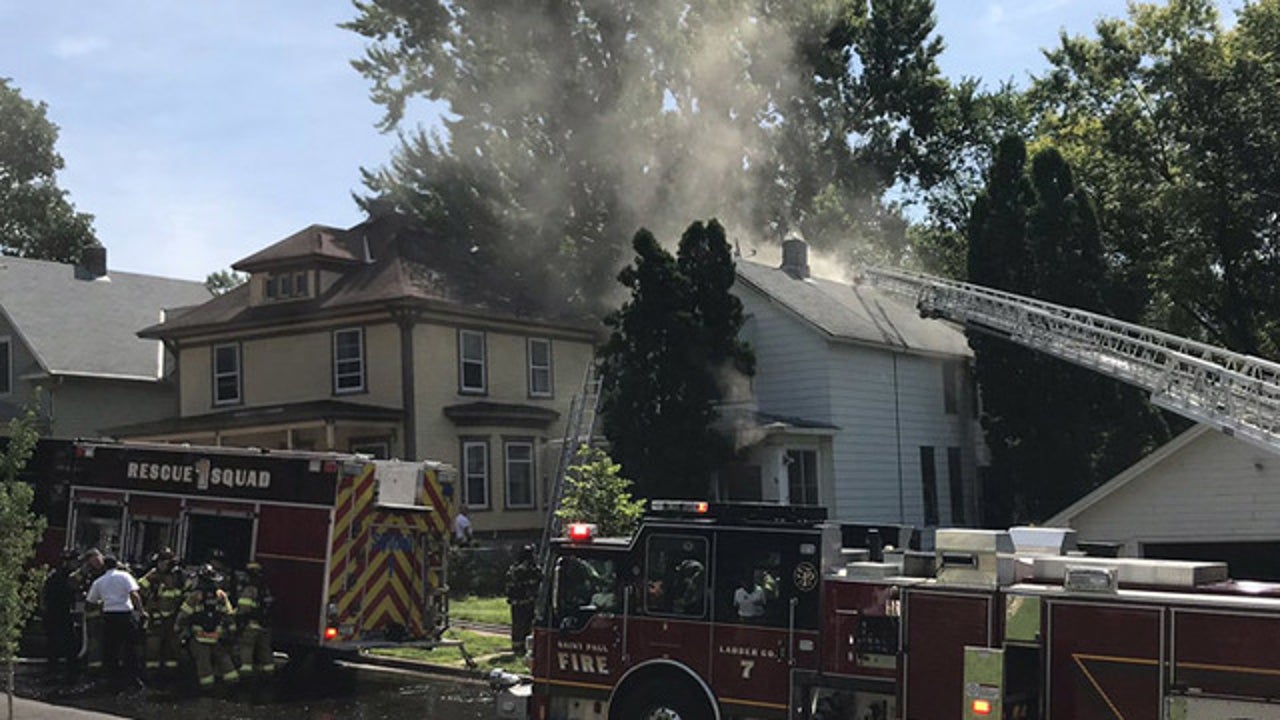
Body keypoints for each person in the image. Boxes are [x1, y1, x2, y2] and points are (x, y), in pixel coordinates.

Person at [85, 555, 146, 692]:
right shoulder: (125, 576)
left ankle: (113, 680)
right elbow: (134, 595)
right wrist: (141, 611)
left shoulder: (99, 581)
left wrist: (102, 605)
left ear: (104, 566)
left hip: (109, 617)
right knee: (130, 648)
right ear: (116, 564)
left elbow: (90, 602)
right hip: (126, 616)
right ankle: (133, 679)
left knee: (110, 649)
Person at [175, 564, 239, 690]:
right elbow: (228, 615)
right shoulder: (221, 595)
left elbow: (183, 615)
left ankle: (207, 691)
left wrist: (178, 629)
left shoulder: (195, 596)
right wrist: (232, 632)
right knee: (224, 661)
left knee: (204, 665)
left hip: (199, 638)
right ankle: (233, 686)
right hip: (217, 637)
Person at [138, 551, 184, 676]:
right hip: (155, 616)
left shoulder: (179, 576)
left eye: (162, 562)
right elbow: (140, 588)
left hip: (172, 618)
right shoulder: (153, 574)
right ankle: (152, 676)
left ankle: (170, 677)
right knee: (153, 647)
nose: (160, 565)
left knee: (171, 649)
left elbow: (184, 594)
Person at [42, 550, 81, 681]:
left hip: (54, 612)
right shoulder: (68, 577)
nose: (76, 564)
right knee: (69, 642)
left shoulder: (54, 574)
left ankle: (53, 669)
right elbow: (72, 592)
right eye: (75, 561)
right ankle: (69, 672)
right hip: (61, 612)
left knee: (54, 642)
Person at [233, 562, 275, 679]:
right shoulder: (266, 588)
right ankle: (269, 673)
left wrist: (236, 616)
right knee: (265, 650)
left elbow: (244, 608)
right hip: (265, 625)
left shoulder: (249, 589)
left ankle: (246, 675)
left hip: (252, 625)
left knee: (246, 648)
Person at [72, 548, 107, 675]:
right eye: (91, 560)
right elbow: (72, 582)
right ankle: (93, 670)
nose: (96, 562)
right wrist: (83, 571)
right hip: (92, 612)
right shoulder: (86, 570)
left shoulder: (112, 567)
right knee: (92, 641)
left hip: (110, 611)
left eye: (97, 559)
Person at [504, 545, 541, 656]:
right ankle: (521, 646)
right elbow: (538, 579)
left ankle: (519, 646)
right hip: (526, 601)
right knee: (525, 624)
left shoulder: (515, 567)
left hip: (519, 602)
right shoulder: (526, 568)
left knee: (520, 624)